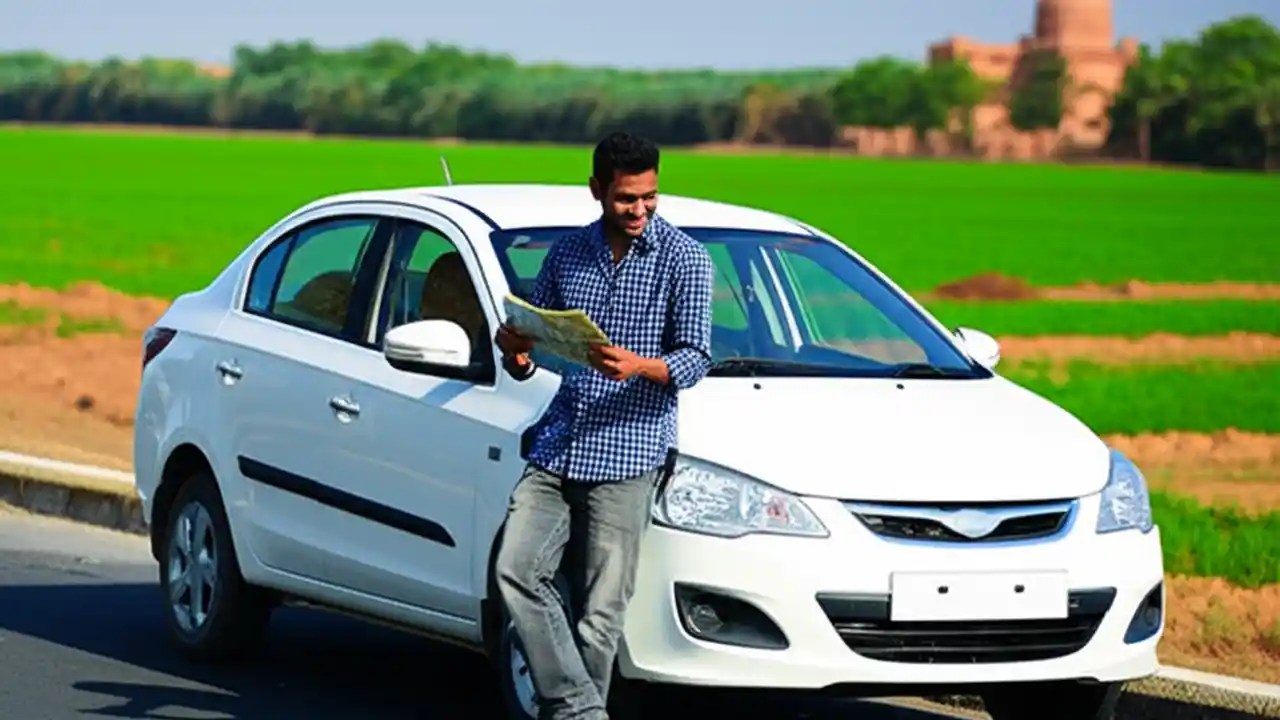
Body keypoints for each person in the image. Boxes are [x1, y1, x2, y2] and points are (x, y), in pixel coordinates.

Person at [492, 131, 715, 720]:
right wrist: (516, 350)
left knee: (601, 613)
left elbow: (695, 359)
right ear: (596, 190)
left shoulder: (686, 260)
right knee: (515, 571)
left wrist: (641, 365)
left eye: (650, 198)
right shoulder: (566, 254)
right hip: (559, 444)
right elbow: (535, 351)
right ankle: (581, 710)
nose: (640, 210)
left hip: (630, 450)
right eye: (626, 199)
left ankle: (572, 714)